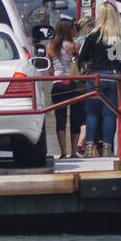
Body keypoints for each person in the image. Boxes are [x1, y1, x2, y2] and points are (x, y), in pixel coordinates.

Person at [77, 3, 121, 159]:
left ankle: (90, 147)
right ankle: (107, 147)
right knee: (109, 114)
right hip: (113, 77)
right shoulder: (120, 34)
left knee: (92, 113)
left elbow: (83, 57)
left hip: (96, 76)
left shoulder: (93, 34)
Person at [47, 18, 84, 159]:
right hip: (74, 84)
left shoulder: (50, 47)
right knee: (76, 118)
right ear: (69, 29)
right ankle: (73, 152)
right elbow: (81, 65)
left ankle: (63, 151)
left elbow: (50, 70)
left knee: (60, 118)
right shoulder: (75, 46)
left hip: (58, 84)